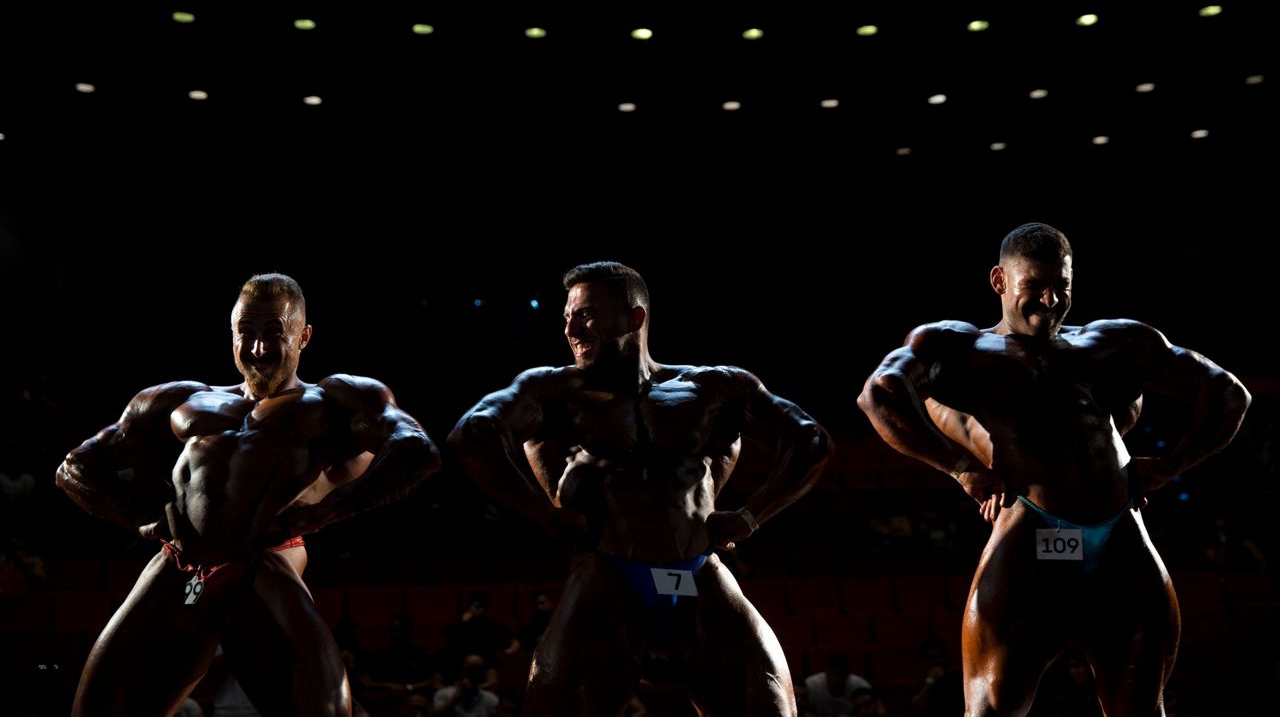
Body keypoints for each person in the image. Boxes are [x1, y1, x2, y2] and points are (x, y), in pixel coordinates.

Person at [858, 223, 1250, 717]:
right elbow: (878, 394)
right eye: (1034, 286)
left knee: (1141, 708)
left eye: (1061, 286)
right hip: (1030, 528)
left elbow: (1229, 393)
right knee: (992, 710)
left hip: (1120, 535)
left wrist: (1173, 464)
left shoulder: (1112, 343)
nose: (1050, 300)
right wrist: (960, 469)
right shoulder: (959, 348)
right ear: (1000, 281)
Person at [449, 261, 832, 714]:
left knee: (770, 707)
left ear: (635, 318)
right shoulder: (554, 391)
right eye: (568, 317)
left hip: (695, 570)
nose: (571, 327)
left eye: (586, 314)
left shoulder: (711, 388)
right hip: (607, 575)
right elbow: (471, 434)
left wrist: (752, 516)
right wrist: (542, 513)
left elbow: (810, 439)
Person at [56, 273, 439, 716]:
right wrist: (140, 519)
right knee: (98, 708)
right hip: (181, 564)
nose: (258, 348)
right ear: (232, 334)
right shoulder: (185, 400)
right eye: (247, 334)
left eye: (273, 334)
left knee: (325, 709)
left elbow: (418, 451)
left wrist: (330, 511)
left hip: (266, 560)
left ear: (303, 336)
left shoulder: (334, 402)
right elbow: (75, 467)